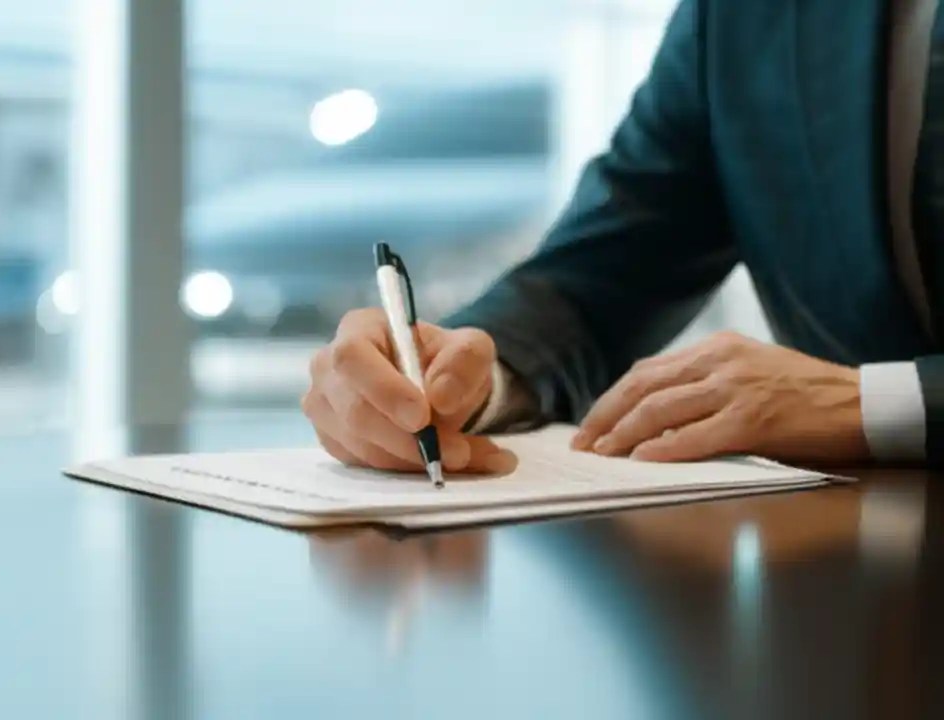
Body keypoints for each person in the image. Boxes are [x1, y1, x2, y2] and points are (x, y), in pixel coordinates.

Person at [303, 0, 944, 471]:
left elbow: (857, 401)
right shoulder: (742, 17)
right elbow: (600, 280)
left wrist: (875, 404)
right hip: (848, 589)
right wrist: (459, 378)